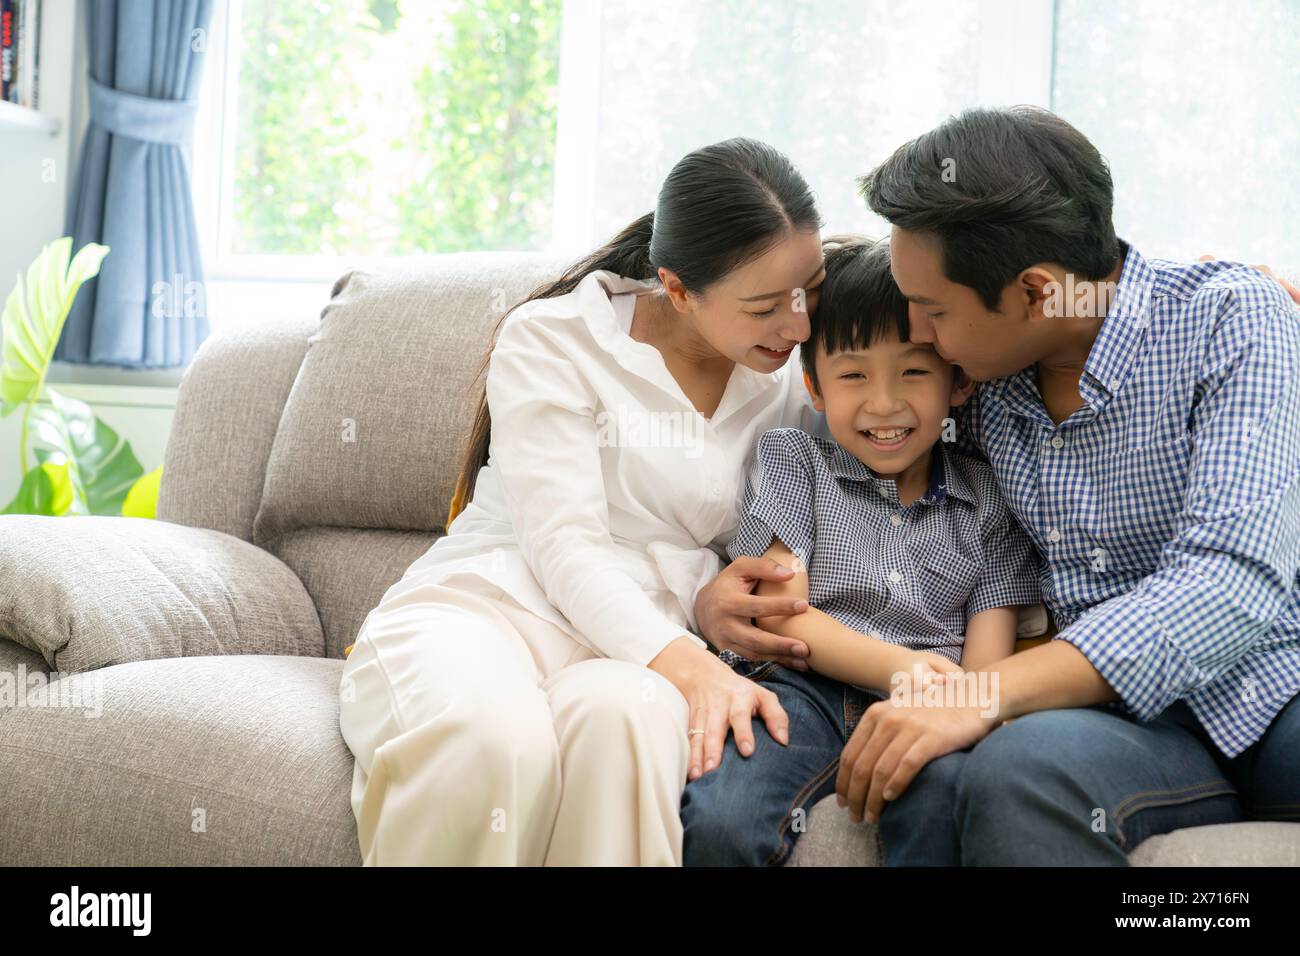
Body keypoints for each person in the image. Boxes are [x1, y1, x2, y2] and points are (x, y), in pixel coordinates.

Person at [337, 137, 833, 865]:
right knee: (495, 741)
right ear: (679, 286)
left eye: (810, 289)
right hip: (491, 610)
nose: (798, 326)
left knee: (627, 726)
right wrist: (697, 666)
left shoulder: (793, 385)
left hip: (638, 659)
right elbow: (565, 544)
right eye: (765, 307)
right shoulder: (557, 340)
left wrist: (708, 608)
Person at [832, 105, 1300, 864]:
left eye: (934, 309)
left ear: (1039, 293)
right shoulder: (980, 380)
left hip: (1276, 686)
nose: (916, 329)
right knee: (1023, 771)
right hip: (1123, 727)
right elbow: (848, 395)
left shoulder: (1232, 318)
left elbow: (1232, 580)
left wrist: (982, 692)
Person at [679, 237, 1043, 865]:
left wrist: (952, 701)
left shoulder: (989, 497)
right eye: (853, 374)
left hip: (930, 710)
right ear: (815, 386)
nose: (883, 402)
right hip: (802, 692)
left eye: (914, 372)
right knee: (723, 819)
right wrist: (904, 670)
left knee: (945, 803)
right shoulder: (793, 462)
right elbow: (780, 615)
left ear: (957, 383)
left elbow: (985, 669)